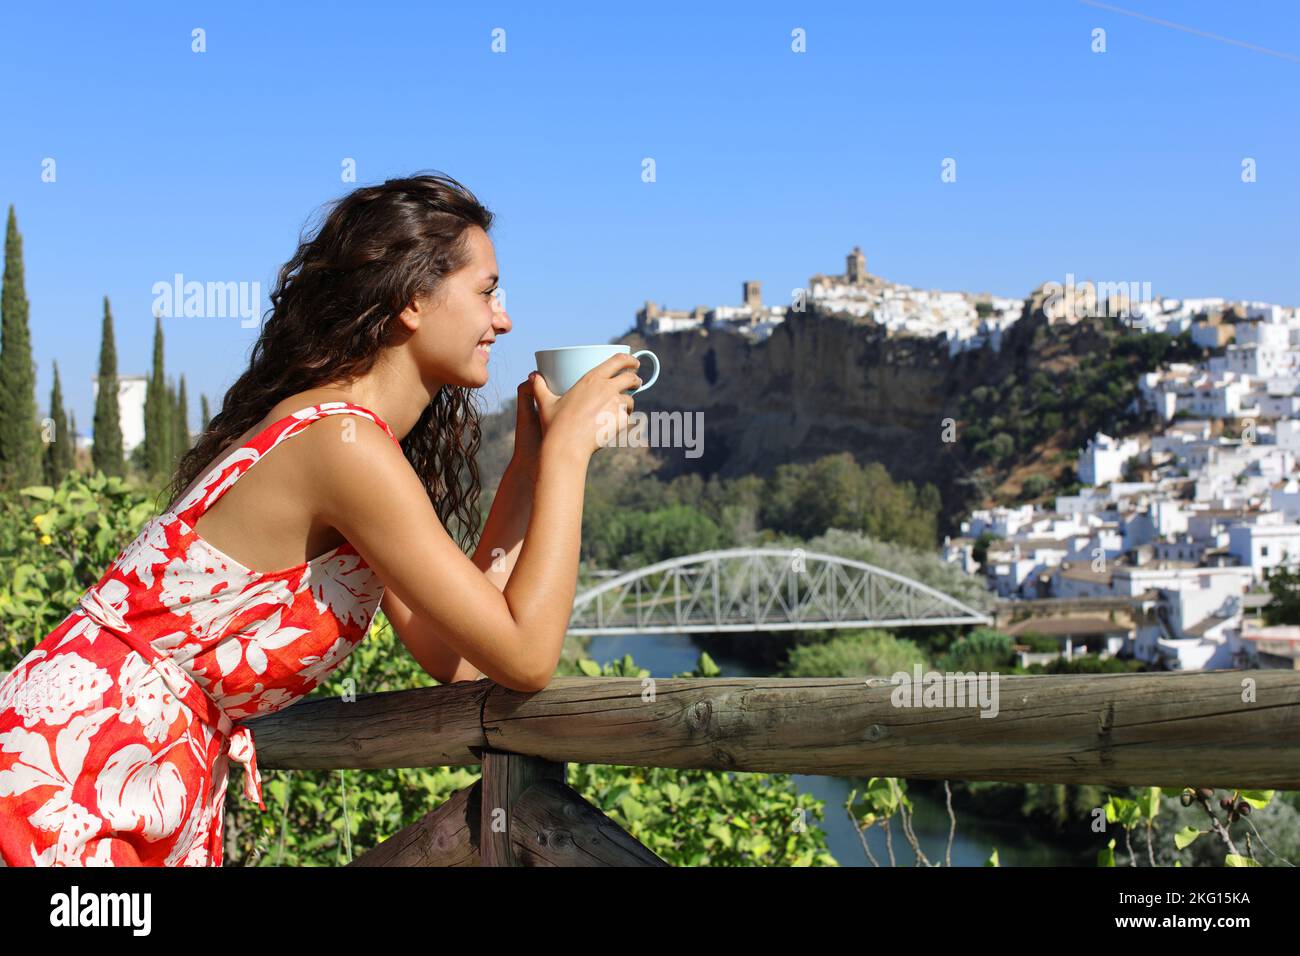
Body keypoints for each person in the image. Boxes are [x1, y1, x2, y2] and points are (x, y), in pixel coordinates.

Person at [0, 171, 641, 866]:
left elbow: (456, 656)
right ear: (412, 301)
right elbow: (529, 655)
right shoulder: (346, 448)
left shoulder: (357, 447)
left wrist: (529, 469)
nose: (503, 319)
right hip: (75, 768)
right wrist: (573, 456)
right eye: (487, 291)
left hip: (131, 766)